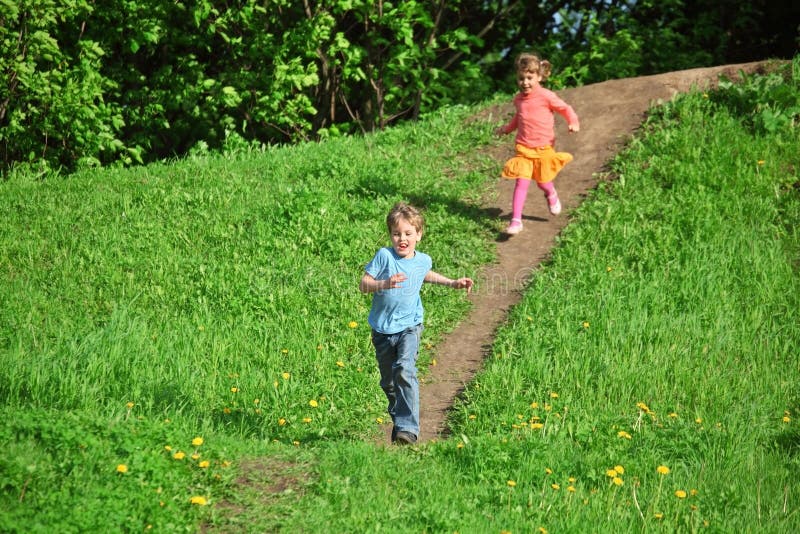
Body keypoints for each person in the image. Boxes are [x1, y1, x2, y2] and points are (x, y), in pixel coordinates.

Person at [359, 202, 473, 445]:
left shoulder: (423, 260)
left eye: (408, 233)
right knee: (389, 383)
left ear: (418, 235)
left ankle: (408, 430)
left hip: (410, 325)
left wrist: (452, 283)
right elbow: (363, 284)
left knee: (404, 368)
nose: (402, 238)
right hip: (382, 330)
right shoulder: (384, 256)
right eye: (397, 233)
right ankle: (402, 420)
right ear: (390, 235)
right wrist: (383, 284)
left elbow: (424, 274)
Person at [495, 52, 580, 235]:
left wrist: (573, 122)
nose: (525, 82)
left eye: (529, 78)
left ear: (539, 77)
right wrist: (507, 129)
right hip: (524, 149)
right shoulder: (518, 99)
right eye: (521, 78)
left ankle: (551, 193)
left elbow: (565, 109)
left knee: (543, 181)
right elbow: (519, 118)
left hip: (543, 149)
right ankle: (516, 220)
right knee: (521, 182)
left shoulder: (546, 96)